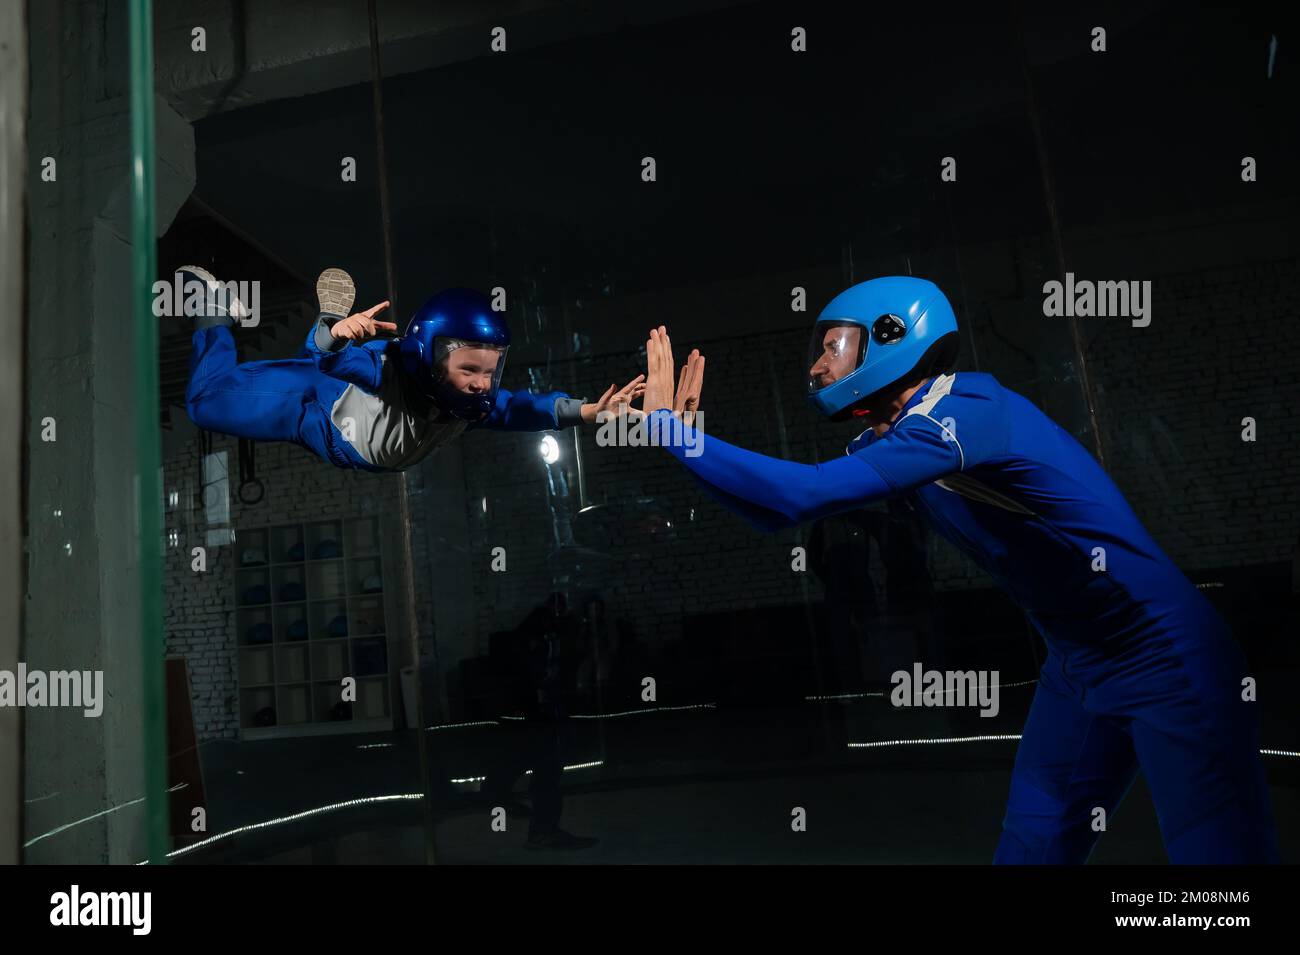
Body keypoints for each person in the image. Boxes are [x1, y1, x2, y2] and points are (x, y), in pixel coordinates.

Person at [639, 276, 1280, 864]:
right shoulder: (892, 440)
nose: (815, 364)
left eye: (832, 347)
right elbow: (774, 514)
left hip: (1164, 654)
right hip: (1077, 664)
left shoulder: (966, 412)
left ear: (892, 337)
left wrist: (674, 432)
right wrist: (681, 438)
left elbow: (797, 493)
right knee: (1030, 851)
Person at [182, 266, 643, 472]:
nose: (483, 383)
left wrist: (587, 412)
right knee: (204, 404)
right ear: (433, 358)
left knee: (329, 360)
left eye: (490, 369)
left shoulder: (472, 404)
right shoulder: (391, 371)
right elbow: (328, 362)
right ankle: (214, 305)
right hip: (320, 409)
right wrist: (334, 340)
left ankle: (332, 328)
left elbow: (523, 408)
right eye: (469, 370)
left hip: (346, 424)